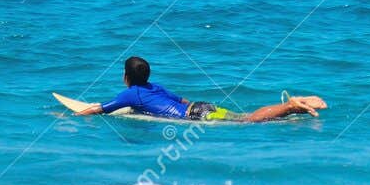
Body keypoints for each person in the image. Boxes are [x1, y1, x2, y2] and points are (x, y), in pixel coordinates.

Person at [78, 56, 325, 123]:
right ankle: (294, 108)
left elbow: (100, 110)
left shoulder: (129, 93)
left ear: (125, 77)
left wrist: (75, 115)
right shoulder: (156, 87)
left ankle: (291, 105)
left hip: (195, 116)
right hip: (200, 107)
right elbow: (182, 100)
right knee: (243, 117)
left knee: (248, 120)